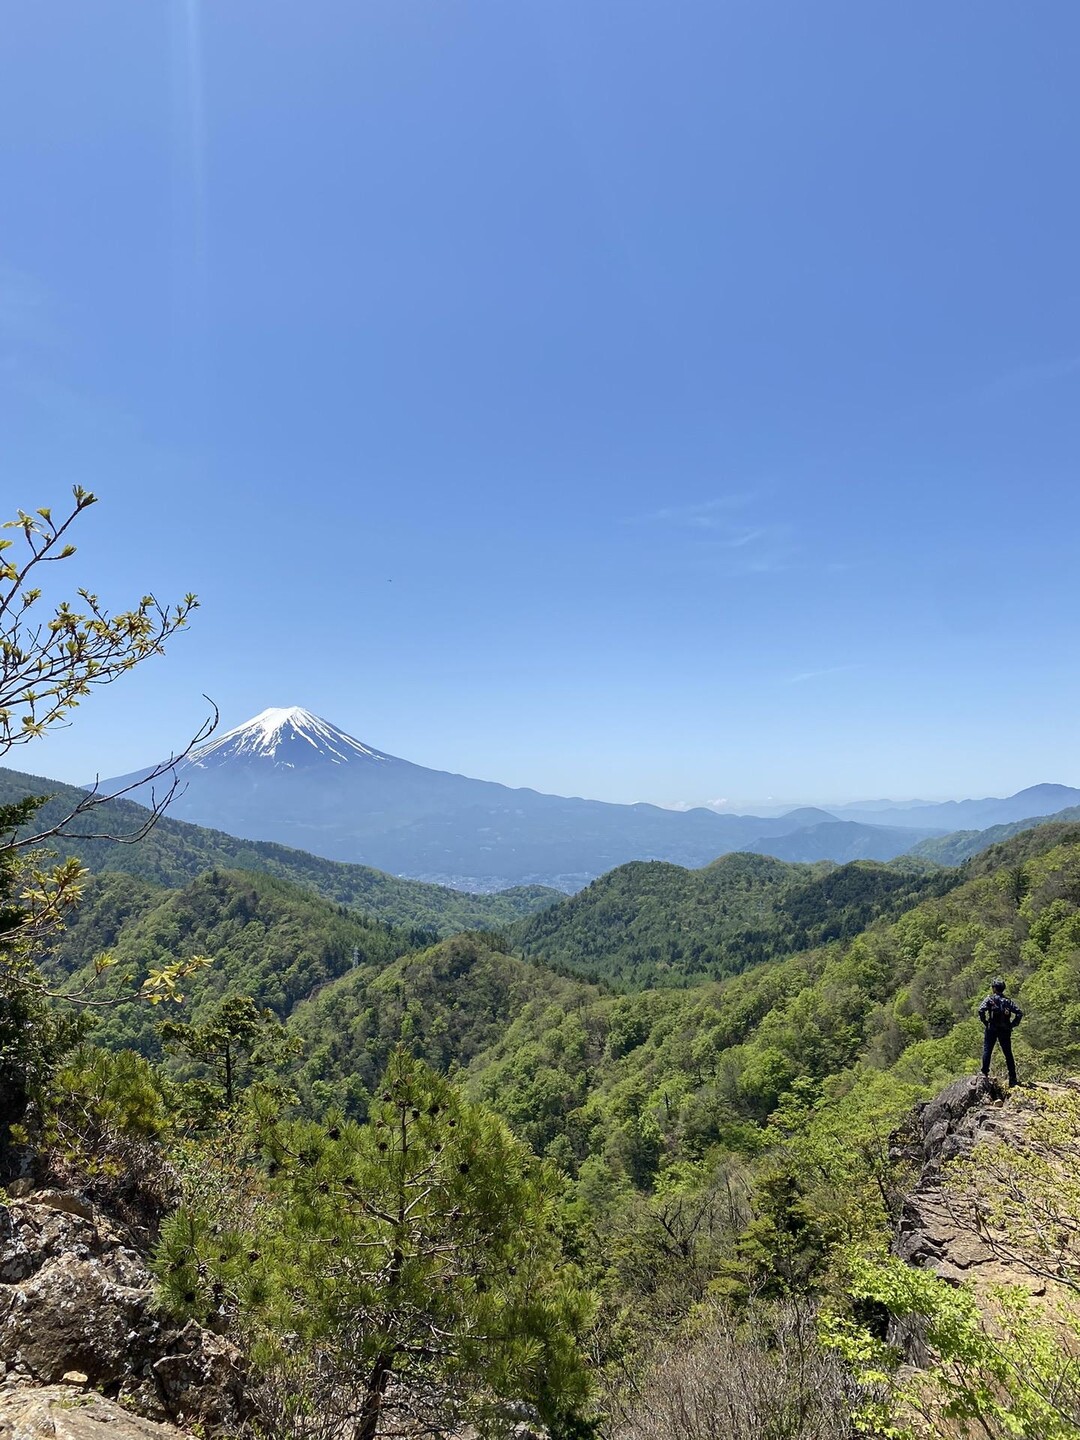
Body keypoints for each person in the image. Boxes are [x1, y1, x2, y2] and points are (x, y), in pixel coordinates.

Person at [978, 977, 1023, 1087]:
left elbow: (981, 1010)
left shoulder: (990, 999)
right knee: (1008, 1053)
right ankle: (1012, 1078)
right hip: (1005, 1030)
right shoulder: (1008, 1001)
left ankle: (984, 1073)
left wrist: (985, 1022)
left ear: (994, 988)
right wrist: (1012, 1024)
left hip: (992, 1028)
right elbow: (1019, 1013)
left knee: (987, 1050)